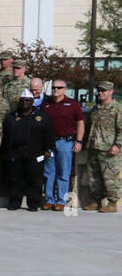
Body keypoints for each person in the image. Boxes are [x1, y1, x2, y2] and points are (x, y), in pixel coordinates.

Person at [3, 90, 55, 211]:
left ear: (32, 102)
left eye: (27, 100)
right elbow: (5, 135)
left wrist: (49, 149)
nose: (25, 103)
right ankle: (15, 202)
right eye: (22, 100)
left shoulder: (42, 116)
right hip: (16, 152)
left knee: (35, 179)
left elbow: (49, 134)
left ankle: (33, 203)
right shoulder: (12, 116)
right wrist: (7, 152)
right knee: (15, 179)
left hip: (35, 153)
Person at [40, 80, 85, 211]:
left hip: (65, 142)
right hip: (49, 143)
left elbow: (80, 123)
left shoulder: (72, 104)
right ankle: (49, 200)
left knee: (63, 173)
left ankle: (61, 201)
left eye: (59, 88)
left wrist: (79, 141)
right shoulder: (46, 104)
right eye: (54, 87)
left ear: (65, 89)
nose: (56, 90)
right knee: (49, 173)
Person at [80, 80, 121, 212]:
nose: (100, 93)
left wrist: (117, 145)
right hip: (94, 147)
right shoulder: (95, 109)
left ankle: (112, 203)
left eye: (103, 90)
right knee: (93, 177)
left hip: (109, 149)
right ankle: (96, 201)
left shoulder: (117, 108)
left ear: (111, 92)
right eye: (99, 90)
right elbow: (88, 126)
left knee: (110, 177)